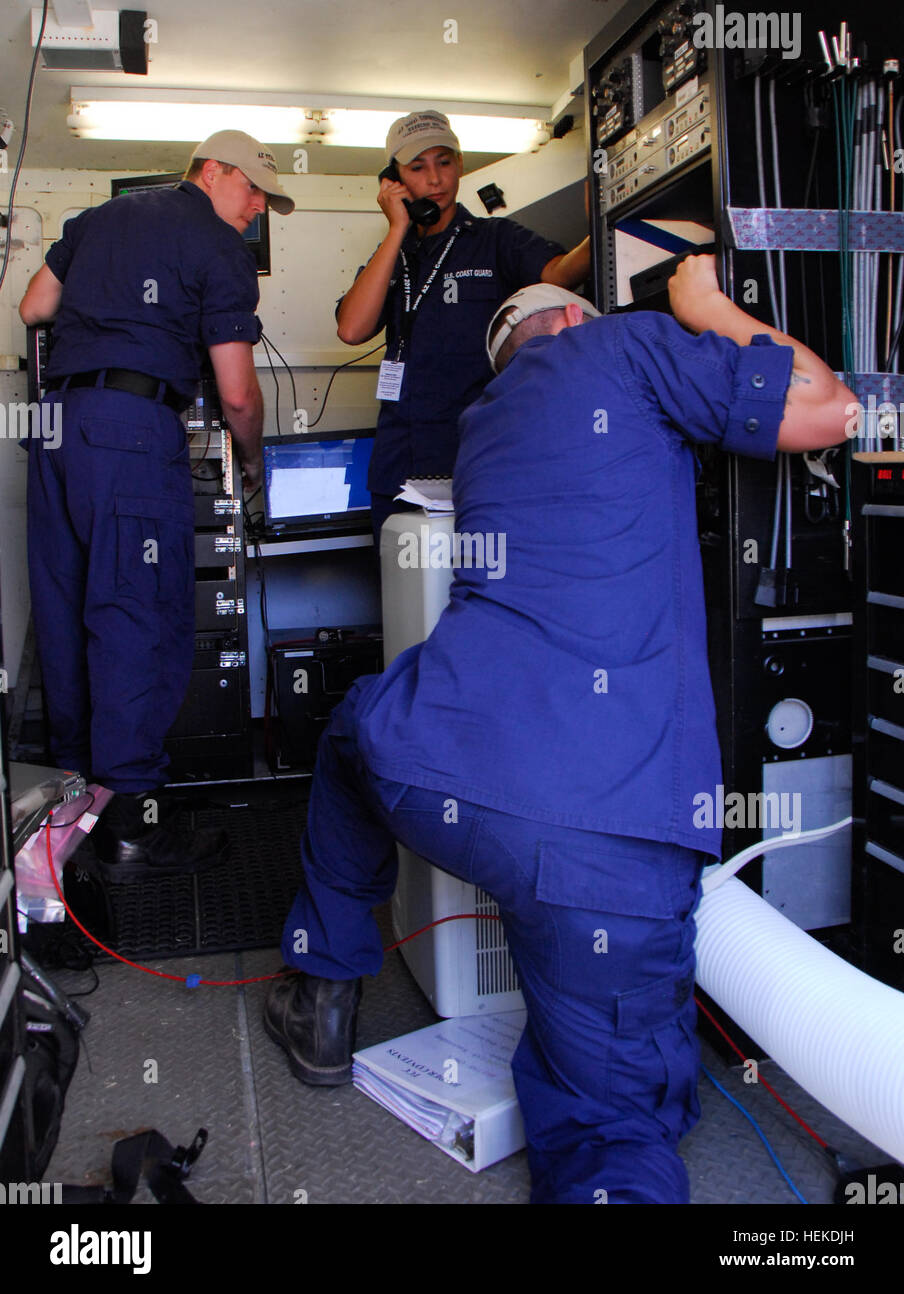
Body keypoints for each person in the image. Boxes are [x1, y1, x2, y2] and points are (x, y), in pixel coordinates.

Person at [264, 253, 857, 1203]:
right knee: (611, 1135)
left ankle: (324, 992)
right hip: (602, 835)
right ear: (583, 319)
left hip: (434, 770)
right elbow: (831, 408)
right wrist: (705, 306)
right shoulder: (627, 347)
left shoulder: (482, 424)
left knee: (350, 734)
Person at [18, 130, 294, 879]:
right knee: (136, 618)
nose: (255, 212)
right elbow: (237, 394)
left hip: (53, 429)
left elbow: (32, 305)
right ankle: (135, 824)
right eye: (253, 193)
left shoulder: (98, 219)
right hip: (132, 438)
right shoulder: (218, 248)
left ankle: (76, 815)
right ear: (214, 171)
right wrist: (252, 457)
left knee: (70, 613)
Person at [335, 109, 592, 539]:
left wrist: (602, 219)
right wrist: (397, 228)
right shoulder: (391, 256)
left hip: (477, 460)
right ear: (392, 180)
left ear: (460, 165)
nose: (435, 179)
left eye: (445, 162)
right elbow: (352, 329)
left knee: (477, 591)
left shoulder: (495, 239)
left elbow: (559, 274)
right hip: (401, 467)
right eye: (417, 168)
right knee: (405, 600)